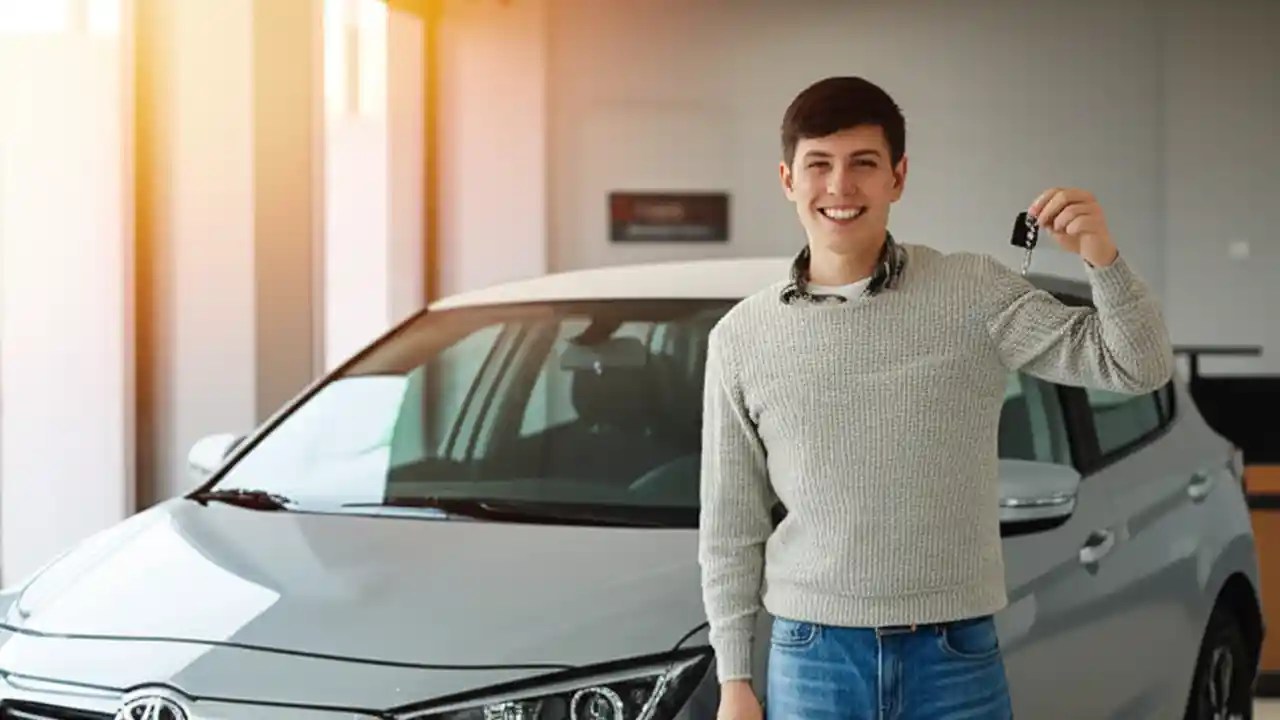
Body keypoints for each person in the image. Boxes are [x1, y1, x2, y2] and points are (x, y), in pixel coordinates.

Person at [697, 76, 1175, 719]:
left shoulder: (972, 294)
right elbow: (731, 524)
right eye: (819, 165)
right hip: (813, 659)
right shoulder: (742, 338)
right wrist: (734, 680)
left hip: (953, 654)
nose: (840, 187)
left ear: (898, 176)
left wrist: (1101, 256)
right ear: (788, 179)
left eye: (864, 164)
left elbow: (1137, 364)